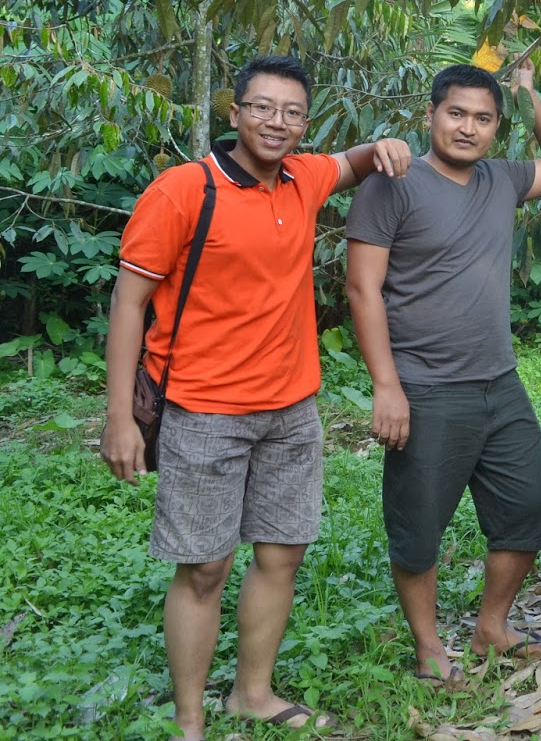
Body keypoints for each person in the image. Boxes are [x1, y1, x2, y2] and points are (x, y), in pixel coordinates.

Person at [100, 55, 411, 741]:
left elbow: (354, 161)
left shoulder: (305, 178)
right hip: (205, 409)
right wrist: (119, 416)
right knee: (205, 566)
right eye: (263, 108)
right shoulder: (184, 190)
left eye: (293, 112)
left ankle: (253, 693)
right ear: (234, 113)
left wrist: (384, 145)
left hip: (292, 408)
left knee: (281, 555)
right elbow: (129, 305)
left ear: (305, 123)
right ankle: (188, 720)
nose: (278, 122)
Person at [344, 61, 541, 689]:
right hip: (424, 385)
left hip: (499, 382)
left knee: (528, 511)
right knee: (419, 525)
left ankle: (492, 627)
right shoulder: (390, 182)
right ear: (430, 114)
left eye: (483, 118)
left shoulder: (501, 180)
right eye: (455, 113)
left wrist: (530, 95)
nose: (467, 128)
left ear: (496, 128)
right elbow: (362, 289)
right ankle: (428, 646)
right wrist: (387, 385)